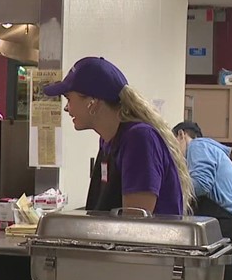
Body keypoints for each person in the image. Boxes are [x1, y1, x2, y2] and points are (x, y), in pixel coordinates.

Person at [44, 56, 192, 216]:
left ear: (93, 102)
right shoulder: (108, 141)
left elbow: (135, 220)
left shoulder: (139, 139)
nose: (67, 108)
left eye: (69, 99)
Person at [172, 121, 232, 280]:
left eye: (172, 142)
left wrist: (170, 190)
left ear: (182, 135)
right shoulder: (208, 150)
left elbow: (201, 184)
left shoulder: (198, 146)